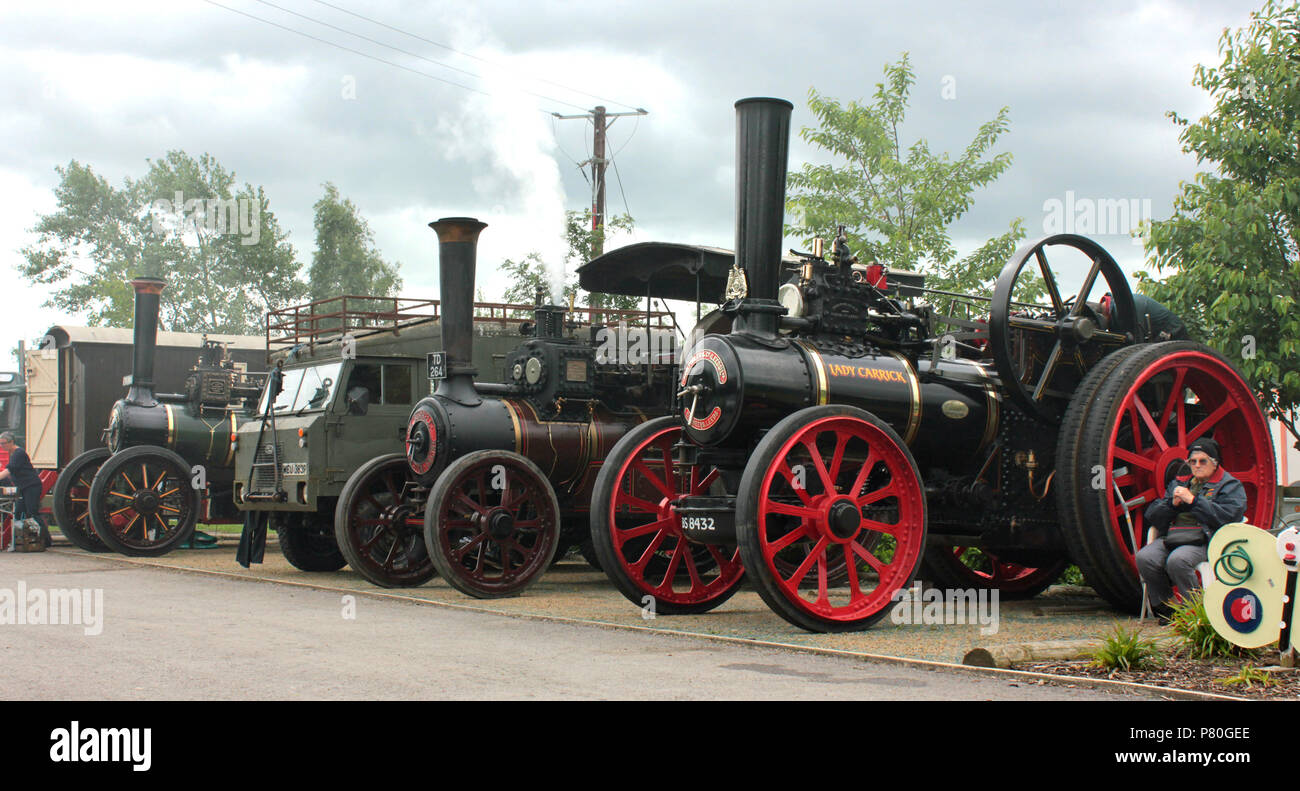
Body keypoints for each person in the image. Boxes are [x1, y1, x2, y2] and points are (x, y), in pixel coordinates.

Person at [1137, 438, 1247, 620]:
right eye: (1192, 461)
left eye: (1202, 461)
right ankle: (1168, 608)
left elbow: (1227, 518)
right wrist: (1171, 504)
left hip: (1206, 540)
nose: (1197, 466)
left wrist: (1194, 501)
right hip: (1174, 537)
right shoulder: (1179, 482)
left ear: (1215, 463)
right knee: (1145, 557)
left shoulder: (1230, 485)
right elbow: (1152, 515)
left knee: (1178, 560)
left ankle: (1196, 612)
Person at [0, 431, 50, 548]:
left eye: (3, 443)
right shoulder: (12, 453)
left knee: (32, 511)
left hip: (31, 486)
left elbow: (9, 470)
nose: (2, 446)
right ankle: (19, 540)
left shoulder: (18, 453)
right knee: (18, 512)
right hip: (22, 487)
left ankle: (46, 539)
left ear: (11, 442)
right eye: (0, 444)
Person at [1098, 293, 1191, 342]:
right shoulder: (1114, 311)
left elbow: (1137, 342)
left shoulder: (1122, 308)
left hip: (1173, 334)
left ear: (1103, 315)